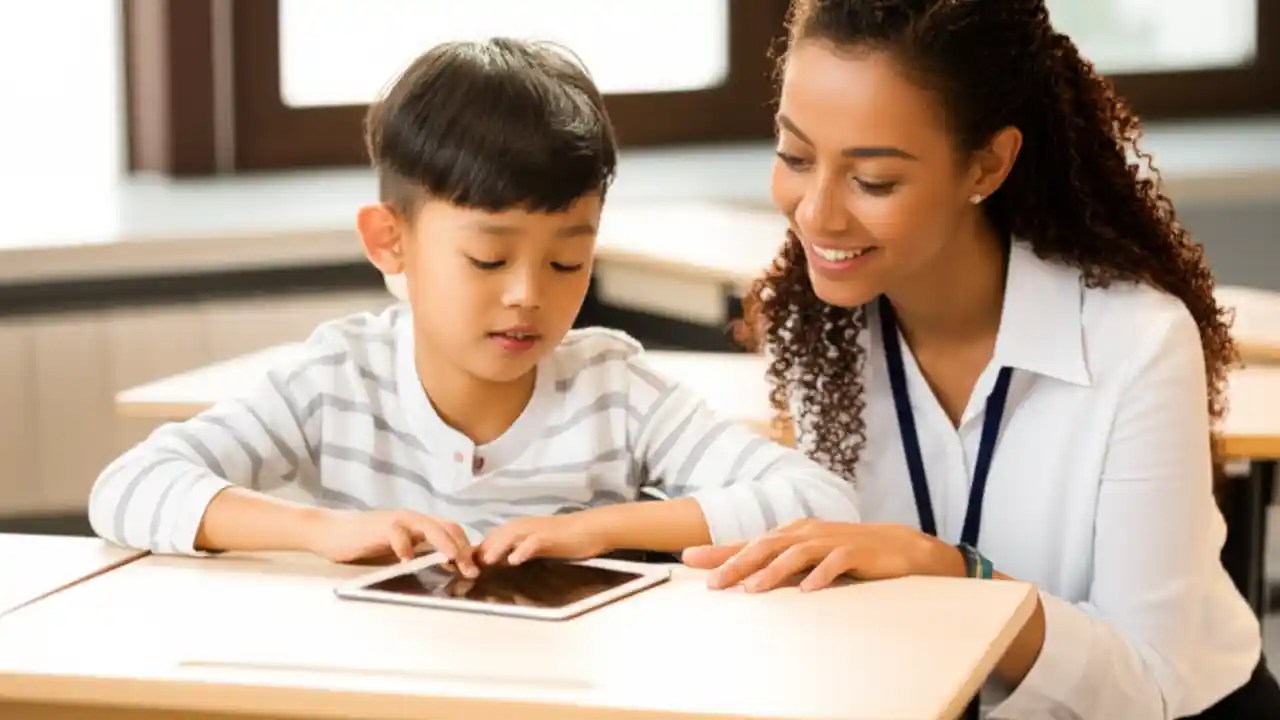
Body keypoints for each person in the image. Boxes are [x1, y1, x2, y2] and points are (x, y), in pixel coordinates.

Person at [680, 1, 1276, 717]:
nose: (816, 214)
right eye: (795, 157)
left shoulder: (1137, 341)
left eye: (874, 180)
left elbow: (1146, 689)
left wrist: (956, 576)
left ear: (988, 165)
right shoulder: (822, 330)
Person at [88, 38, 858, 577]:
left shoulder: (613, 392)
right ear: (390, 241)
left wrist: (596, 529)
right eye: (488, 259)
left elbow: (821, 501)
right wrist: (325, 531)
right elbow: (127, 487)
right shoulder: (336, 381)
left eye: (567, 261)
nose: (528, 294)